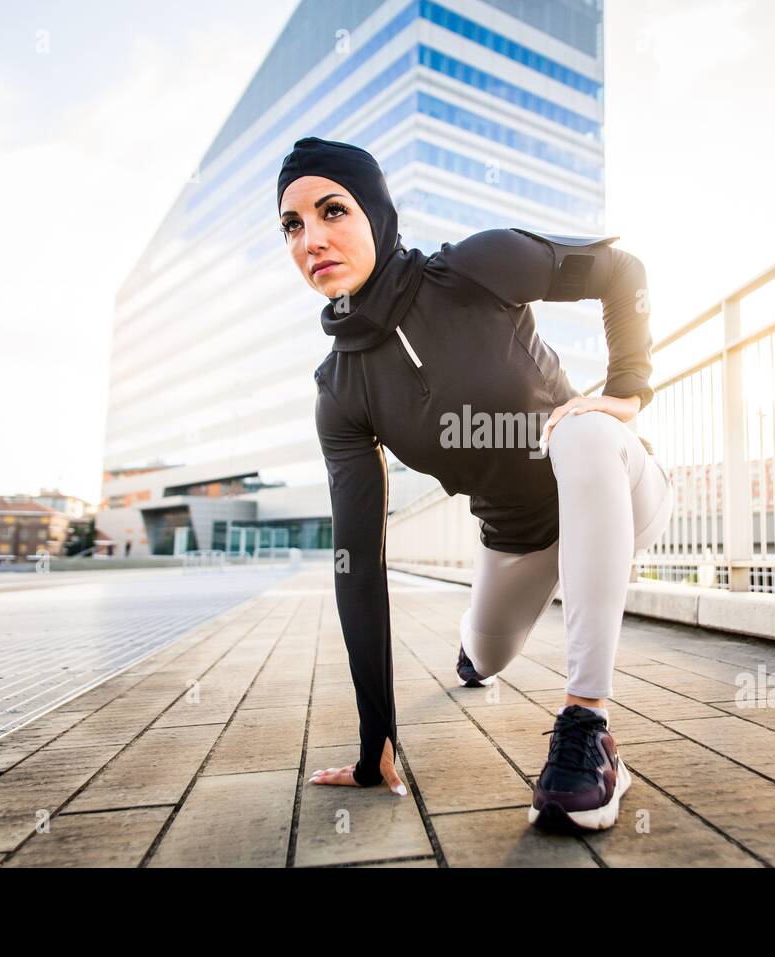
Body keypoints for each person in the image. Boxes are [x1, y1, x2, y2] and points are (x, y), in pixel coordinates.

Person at [280, 136, 673, 831]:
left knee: (579, 431)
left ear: (374, 210)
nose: (312, 238)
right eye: (293, 224)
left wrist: (627, 392)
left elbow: (623, 271)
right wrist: (377, 742)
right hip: (517, 541)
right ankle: (476, 646)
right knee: (484, 653)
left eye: (331, 210)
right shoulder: (339, 391)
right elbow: (358, 563)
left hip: (611, 491)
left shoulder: (479, 266)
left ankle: (588, 730)